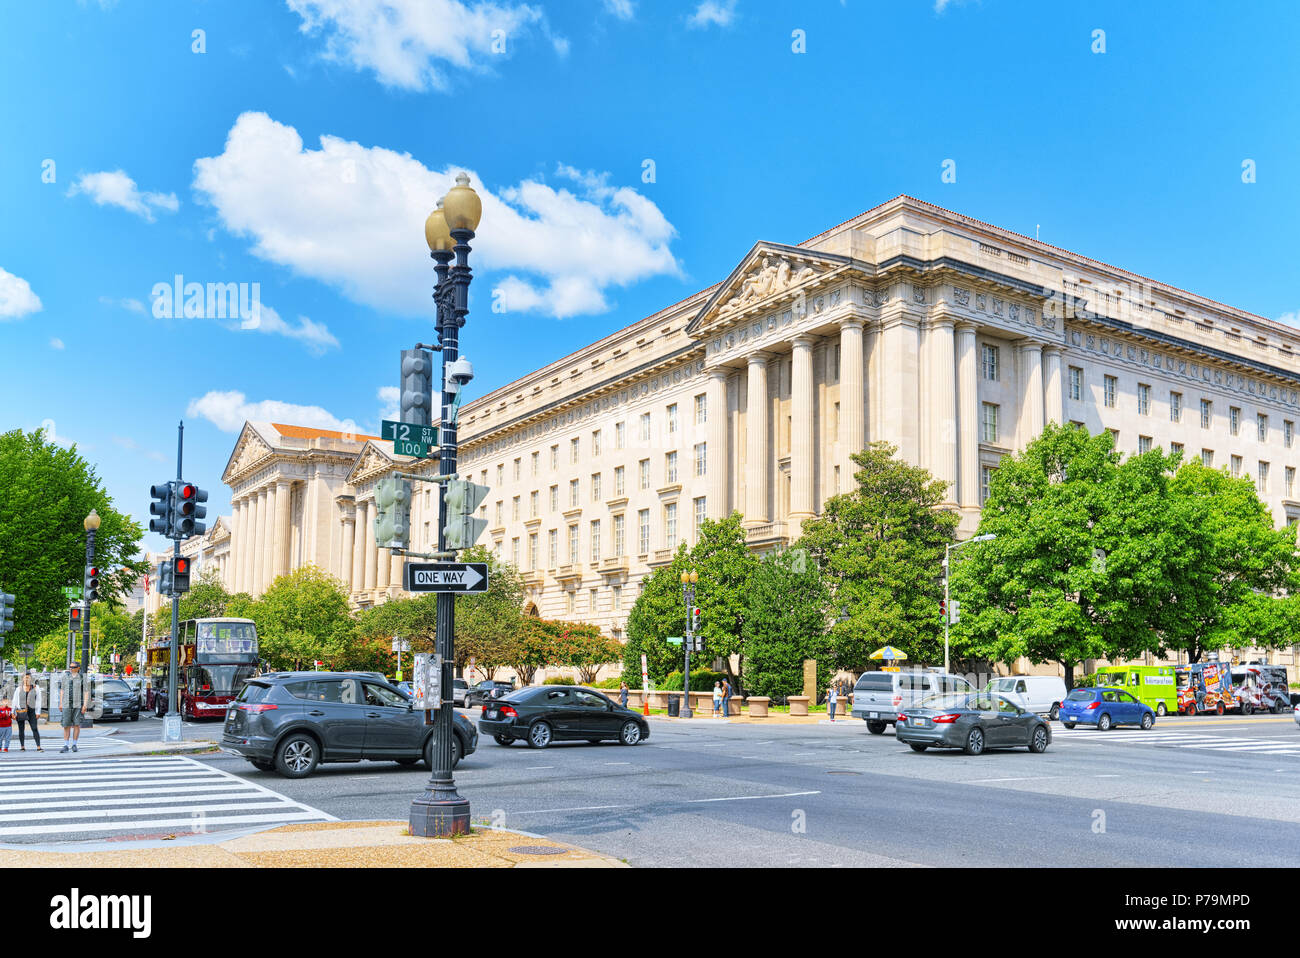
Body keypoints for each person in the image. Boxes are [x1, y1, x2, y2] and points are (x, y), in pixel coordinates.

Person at [60, 663, 90, 753]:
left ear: (78, 668)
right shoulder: (65, 677)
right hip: (66, 703)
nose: (71, 668)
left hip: (77, 703)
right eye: (70, 667)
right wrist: (61, 703)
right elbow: (62, 690)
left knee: (76, 724)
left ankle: (74, 744)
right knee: (66, 725)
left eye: (73, 667)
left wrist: (85, 704)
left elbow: (86, 692)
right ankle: (66, 745)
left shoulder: (82, 678)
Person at [14, 672, 41, 751]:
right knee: (21, 729)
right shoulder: (19, 688)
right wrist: (13, 712)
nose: (27, 679)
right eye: (25, 677)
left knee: (34, 728)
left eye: (28, 678)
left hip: (32, 710)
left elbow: (39, 700)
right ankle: (22, 746)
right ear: (22, 679)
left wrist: (38, 712)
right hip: (21, 710)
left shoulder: (36, 688)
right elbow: (15, 701)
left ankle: (38, 746)